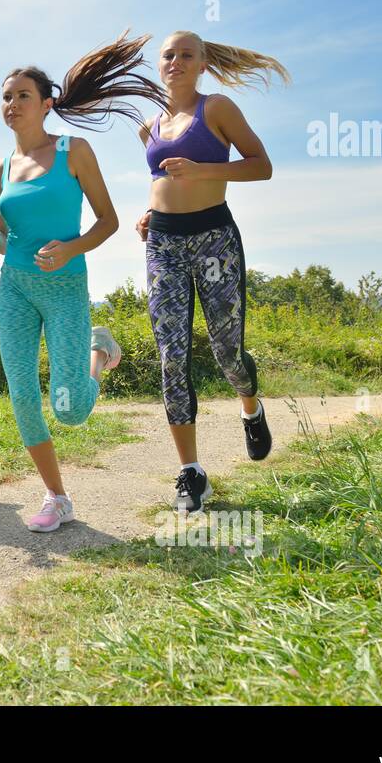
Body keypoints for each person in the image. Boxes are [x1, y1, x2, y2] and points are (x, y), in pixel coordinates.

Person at [0, 31, 167, 532]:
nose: (12, 103)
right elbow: (4, 245)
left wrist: (71, 248)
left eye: (22, 95)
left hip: (65, 287)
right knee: (22, 396)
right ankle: (57, 497)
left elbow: (107, 220)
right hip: (15, 285)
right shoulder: (1, 169)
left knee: (71, 410)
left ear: (45, 104)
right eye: (6, 96)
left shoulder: (73, 151)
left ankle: (99, 352)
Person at [133, 30, 288, 513]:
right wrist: (149, 211)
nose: (176, 61)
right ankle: (191, 472)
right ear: (158, 65)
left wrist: (203, 172)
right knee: (172, 355)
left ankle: (250, 405)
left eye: (186, 55)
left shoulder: (216, 108)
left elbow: (261, 166)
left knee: (226, 351)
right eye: (168, 55)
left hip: (214, 239)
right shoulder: (150, 125)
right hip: (163, 242)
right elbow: (162, 179)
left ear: (202, 64)